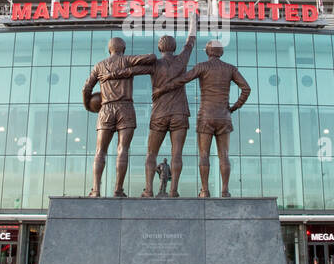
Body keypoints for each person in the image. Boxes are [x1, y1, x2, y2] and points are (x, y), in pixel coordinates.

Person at [152, 40, 251, 198]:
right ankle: (225, 191)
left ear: (207, 52)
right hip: (223, 116)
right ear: (221, 52)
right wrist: (234, 107)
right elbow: (246, 89)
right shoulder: (230, 68)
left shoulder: (202, 66)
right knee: (224, 155)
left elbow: (182, 80)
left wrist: (162, 89)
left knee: (204, 155)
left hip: (206, 116)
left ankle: (205, 191)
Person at [81, 38, 158, 197]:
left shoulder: (99, 65)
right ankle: (118, 190)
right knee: (122, 149)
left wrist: (87, 106)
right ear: (122, 48)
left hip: (106, 108)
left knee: (100, 150)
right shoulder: (127, 60)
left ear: (109, 49)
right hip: (125, 107)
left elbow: (86, 88)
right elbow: (151, 57)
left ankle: (96, 190)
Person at [143, 13, 198, 198]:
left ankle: (149, 190)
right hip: (179, 113)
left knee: (151, 153)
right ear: (174, 48)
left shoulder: (154, 64)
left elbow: (132, 69)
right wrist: (193, 21)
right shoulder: (182, 59)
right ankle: (173, 190)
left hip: (159, 113)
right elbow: (191, 41)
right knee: (177, 154)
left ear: (160, 48)